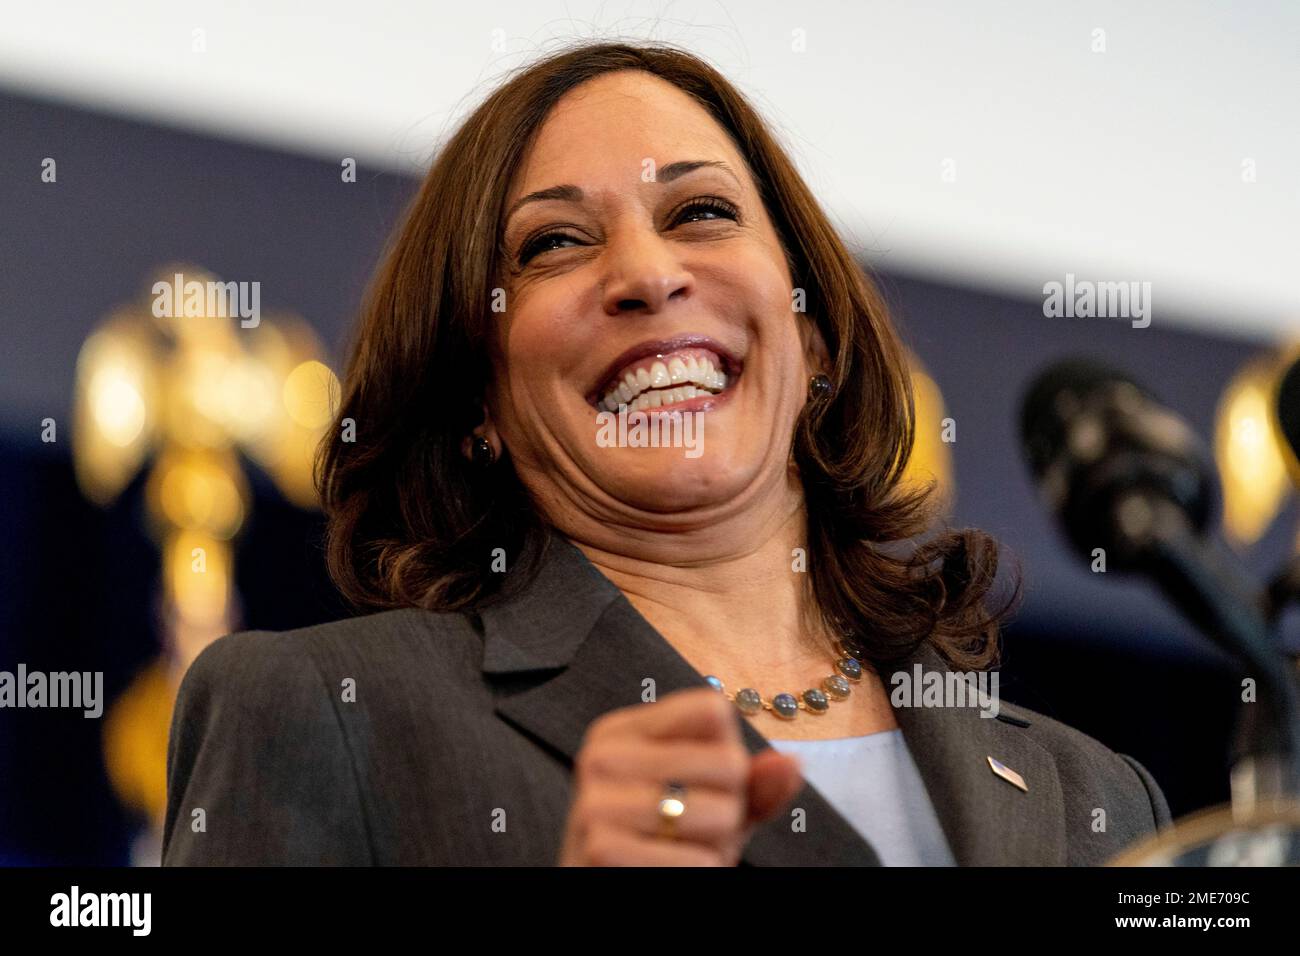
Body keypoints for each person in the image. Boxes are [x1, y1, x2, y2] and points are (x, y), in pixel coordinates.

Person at [162, 40, 1170, 866]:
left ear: (812, 334)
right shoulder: (330, 714)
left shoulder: (1095, 797)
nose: (646, 272)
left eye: (701, 213)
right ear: (480, 396)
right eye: (553, 242)